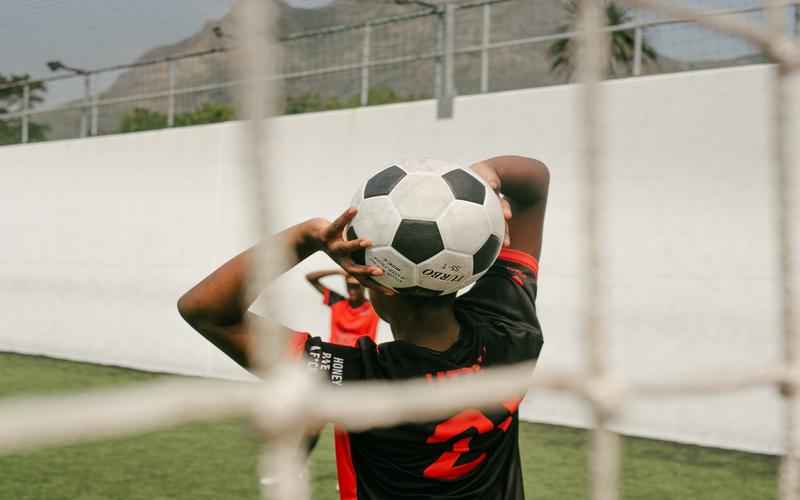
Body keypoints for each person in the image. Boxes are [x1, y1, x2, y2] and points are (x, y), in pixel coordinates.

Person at [177, 156, 549, 500]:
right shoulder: (511, 332)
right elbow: (534, 183)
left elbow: (205, 311)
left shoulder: (354, 381)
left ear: (376, 285)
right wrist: (485, 174)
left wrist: (306, 238)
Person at [305, 269, 379, 347]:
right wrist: (338, 271)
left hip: (360, 354)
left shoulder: (374, 307)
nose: (352, 291)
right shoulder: (337, 301)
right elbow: (310, 278)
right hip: (336, 352)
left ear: (364, 288)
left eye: (356, 287)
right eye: (349, 287)